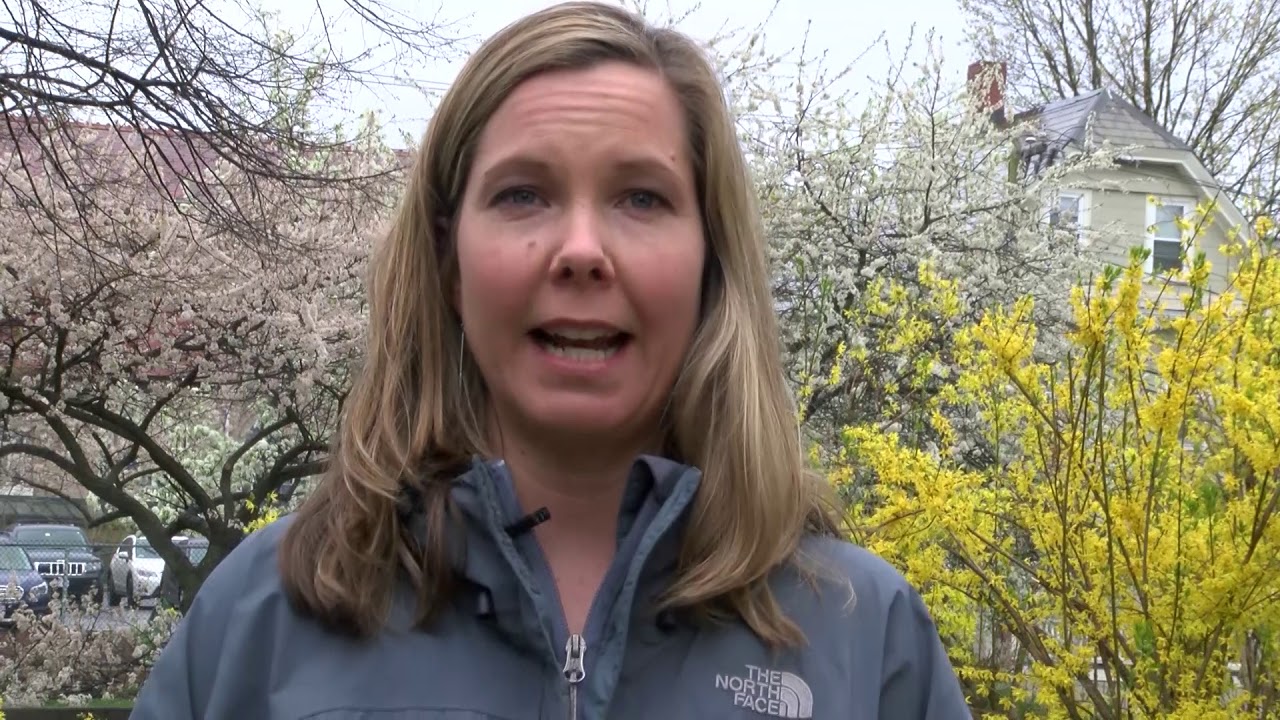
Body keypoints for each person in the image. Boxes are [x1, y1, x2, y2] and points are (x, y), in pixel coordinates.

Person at [130, 2, 970, 718]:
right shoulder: (260, 621)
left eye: (641, 198)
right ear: (448, 260)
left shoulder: (866, 638)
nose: (580, 251)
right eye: (522, 193)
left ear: (709, 266)